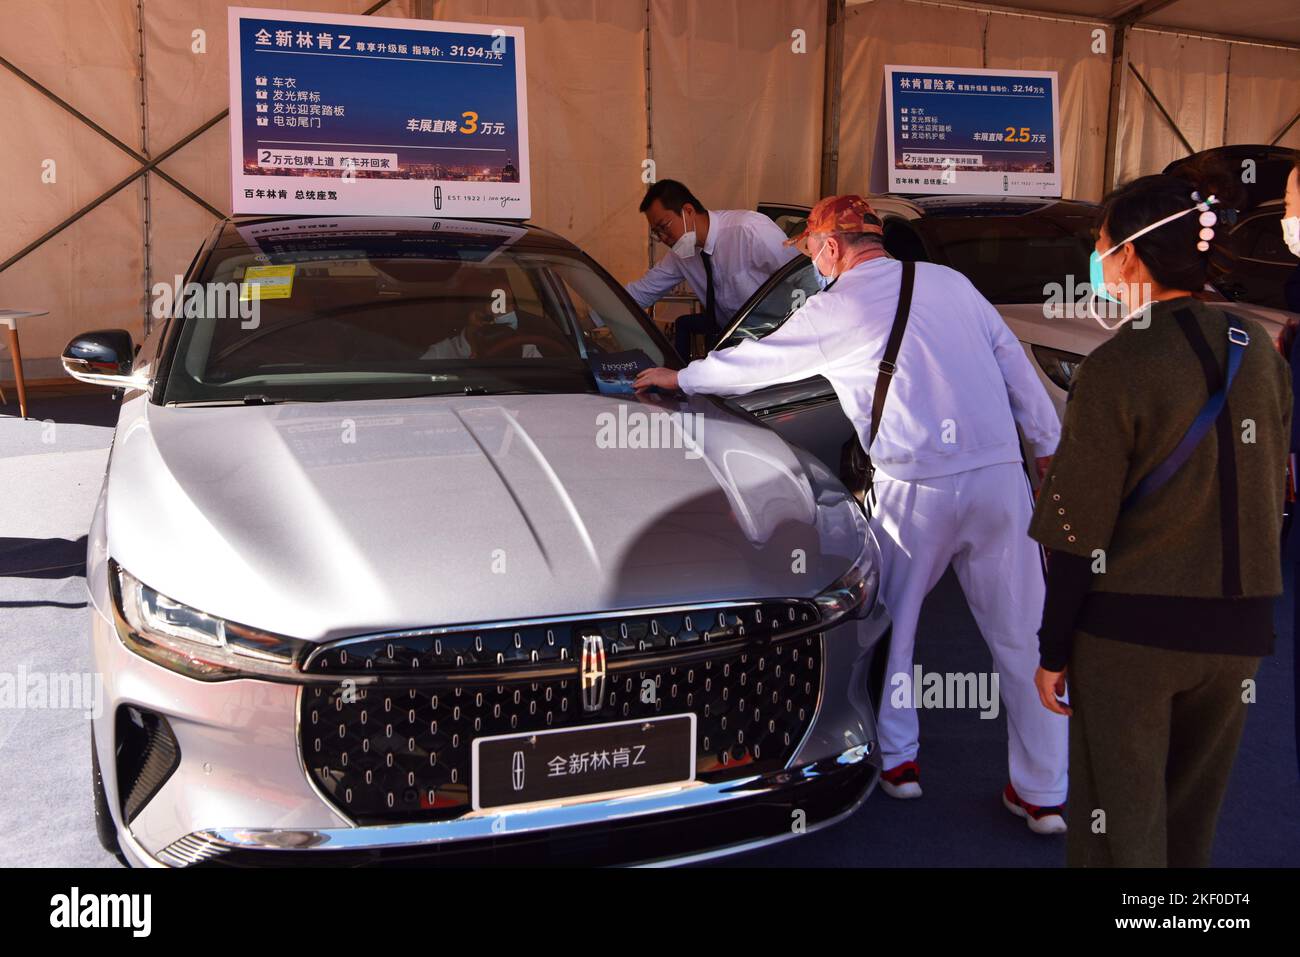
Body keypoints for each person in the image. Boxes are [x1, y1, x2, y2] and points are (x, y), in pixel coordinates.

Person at [634, 195, 1069, 833]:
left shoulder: (833, 307)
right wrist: (1047, 449)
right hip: (1001, 479)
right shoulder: (954, 284)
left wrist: (683, 379)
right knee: (1024, 636)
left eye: (810, 251)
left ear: (832, 247)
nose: (812, 263)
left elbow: (756, 364)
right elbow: (1017, 370)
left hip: (912, 487)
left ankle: (899, 762)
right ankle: (1044, 795)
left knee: (893, 629)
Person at [1029, 161, 1292, 867]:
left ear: (1133, 254)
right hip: (1240, 629)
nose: (1099, 260)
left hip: (1132, 636)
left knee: (1119, 834)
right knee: (1188, 828)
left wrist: (1053, 649)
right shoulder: (1261, 355)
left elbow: (1078, 528)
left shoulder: (1119, 364)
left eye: (1103, 244)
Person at [626, 179, 797, 358]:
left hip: (776, 342)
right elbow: (641, 293)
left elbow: (800, 278)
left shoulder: (748, 229)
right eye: (656, 233)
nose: (663, 238)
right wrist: (597, 316)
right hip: (733, 345)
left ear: (688, 211)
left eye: (664, 227)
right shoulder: (682, 254)